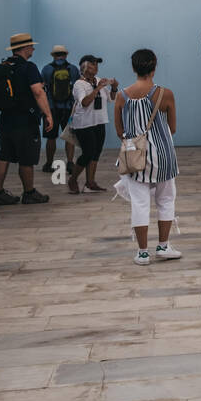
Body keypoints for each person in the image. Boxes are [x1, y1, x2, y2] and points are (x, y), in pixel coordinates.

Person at [113, 48, 182, 265]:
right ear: (154, 67)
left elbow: (119, 130)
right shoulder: (166, 94)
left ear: (133, 67)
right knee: (166, 199)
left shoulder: (121, 96)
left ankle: (142, 253)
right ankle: (163, 246)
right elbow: (172, 128)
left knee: (140, 204)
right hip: (163, 155)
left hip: (135, 155)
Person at [0, 32, 55, 206]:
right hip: (25, 119)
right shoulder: (29, 67)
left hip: (6, 118)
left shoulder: (3, 65)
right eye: (31, 46)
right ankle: (29, 193)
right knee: (27, 158)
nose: (33, 48)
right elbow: (38, 92)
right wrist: (47, 114)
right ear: (25, 47)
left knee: (4, 155)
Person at [69, 54, 118, 194]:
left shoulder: (98, 80)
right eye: (92, 64)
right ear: (84, 67)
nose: (96, 67)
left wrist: (114, 88)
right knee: (88, 153)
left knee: (96, 153)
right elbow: (84, 103)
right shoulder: (79, 84)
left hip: (100, 121)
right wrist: (97, 88)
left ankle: (90, 182)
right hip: (84, 124)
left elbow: (111, 98)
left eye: (97, 64)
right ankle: (73, 179)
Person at [41, 45, 77, 173]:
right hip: (68, 108)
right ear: (66, 55)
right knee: (70, 136)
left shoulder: (46, 69)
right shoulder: (73, 69)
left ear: (53, 55)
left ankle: (49, 163)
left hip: (50, 108)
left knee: (51, 137)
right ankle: (70, 163)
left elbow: (41, 90)